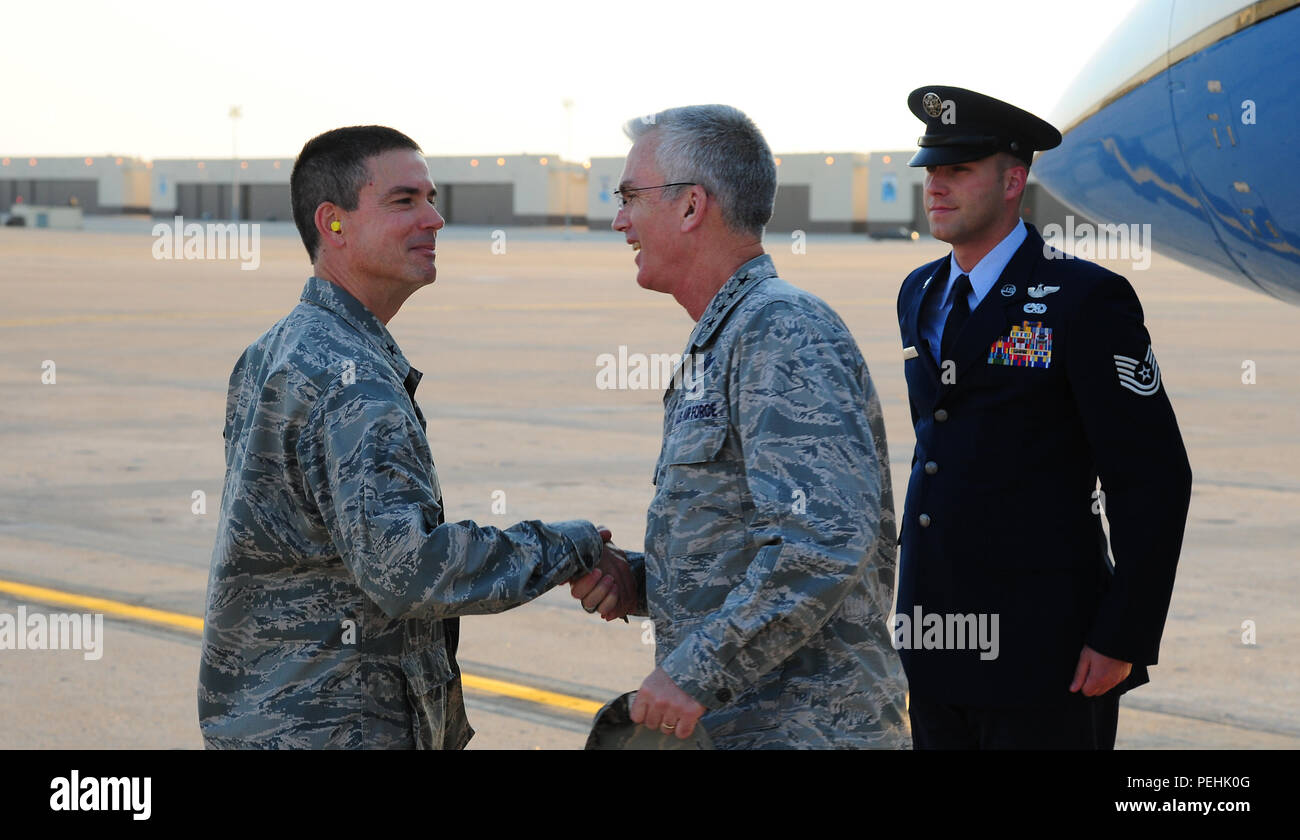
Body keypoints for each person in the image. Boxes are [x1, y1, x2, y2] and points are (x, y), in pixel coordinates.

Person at [198, 125, 624, 749]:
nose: (434, 218)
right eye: (404, 201)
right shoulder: (351, 381)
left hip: (267, 717)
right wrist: (568, 547)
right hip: (336, 726)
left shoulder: (279, 349)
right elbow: (409, 570)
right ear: (332, 222)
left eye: (430, 197)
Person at [572, 105, 909, 749]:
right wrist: (641, 581)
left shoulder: (782, 331)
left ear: (692, 206)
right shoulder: (728, 337)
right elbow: (752, 546)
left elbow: (826, 540)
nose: (619, 219)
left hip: (807, 731)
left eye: (630, 196)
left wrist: (695, 672)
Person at [894, 86, 1193, 749]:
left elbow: (1153, 477)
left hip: (1046, 653)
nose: (936, 186)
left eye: (959, 170)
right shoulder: (918, 292)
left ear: (1014, 180)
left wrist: (1123, 636)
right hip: (935, 640)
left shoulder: (1085, 299)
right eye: (932, 170)